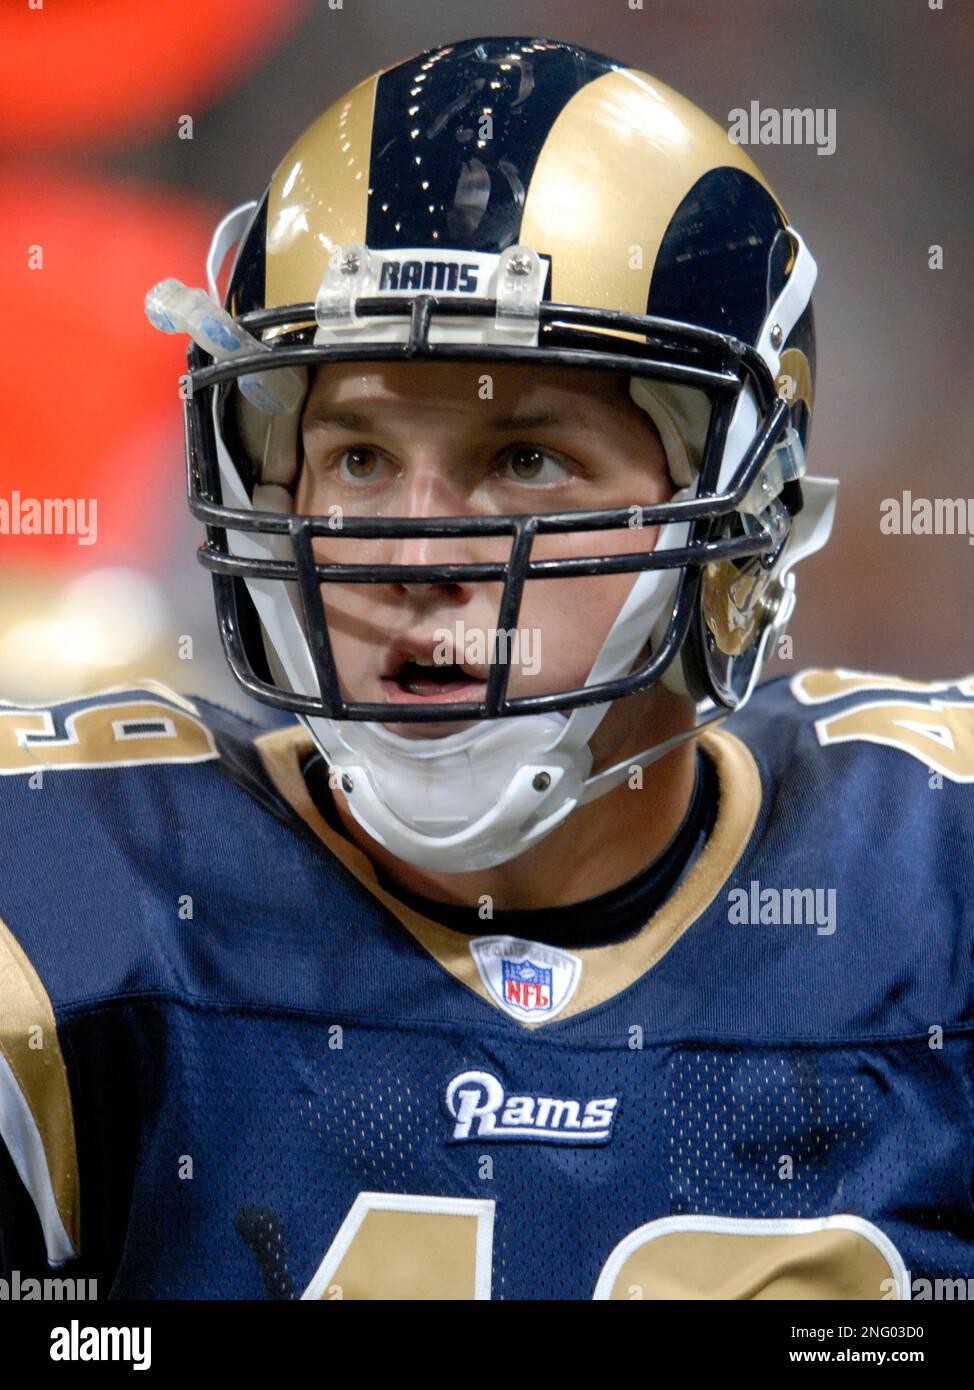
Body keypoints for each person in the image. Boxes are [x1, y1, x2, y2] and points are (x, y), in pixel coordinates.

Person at [1, 35, 971, 1301]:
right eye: (354, 456)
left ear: (743, 509)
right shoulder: (71, 904)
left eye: (524, 458)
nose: (413, 551)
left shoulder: (930, 892)